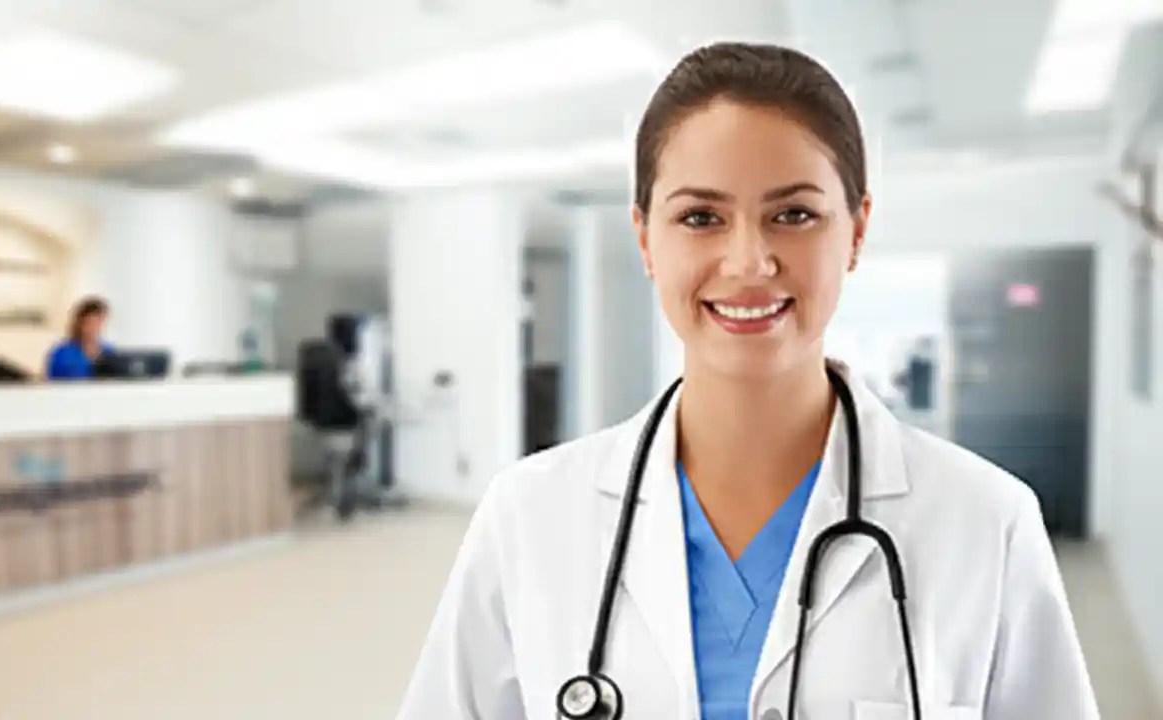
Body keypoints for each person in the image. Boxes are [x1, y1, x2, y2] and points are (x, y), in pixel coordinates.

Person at [396, 43, 1098, 720]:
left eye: (793, 215)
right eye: (701, 218)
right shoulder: (528, 517)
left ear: (855, 231)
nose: (748, 261)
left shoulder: (987, 522)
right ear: (645, 238)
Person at [46, 297, 113, 380]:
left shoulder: (109, 351)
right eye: (90, 322)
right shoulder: (63, 353)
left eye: (98, 321)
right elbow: (54, 384)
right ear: (80, 323)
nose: (94, 326)